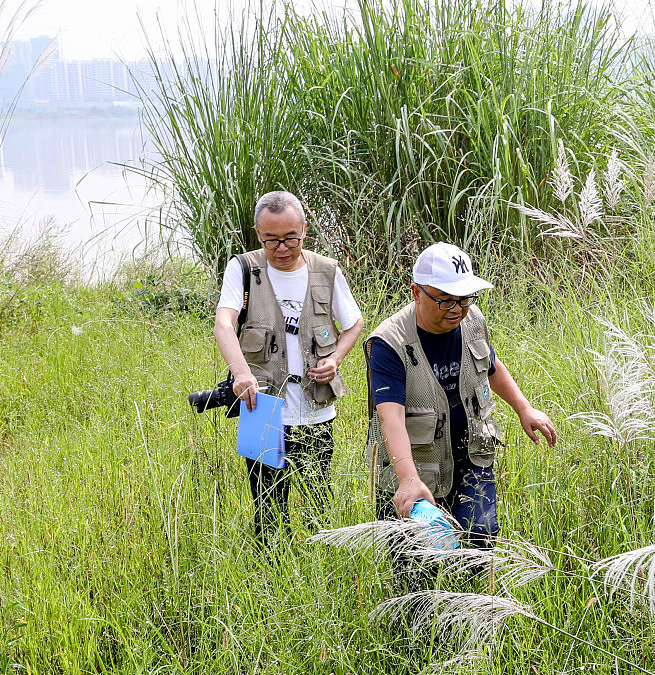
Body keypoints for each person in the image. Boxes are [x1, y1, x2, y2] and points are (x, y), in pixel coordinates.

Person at [364, 242, 556, 557]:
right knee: (415, 564)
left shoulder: (471, 318)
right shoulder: (389, 343)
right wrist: (408, 479)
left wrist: (524, 407)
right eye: (445, 301)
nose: (456, 309)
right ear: (416, 292)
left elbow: (490, 365)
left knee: (479, 542)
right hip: (416, 465)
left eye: (464, 298)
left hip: (470, 456)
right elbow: (390, 416)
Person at [214, 190, 364, 542]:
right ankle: (269, 576)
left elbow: (354, 323)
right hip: (260, 407)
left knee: (318, 503)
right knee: (267, 506)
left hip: (316, 409)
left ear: (304, 230)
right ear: (257, 234)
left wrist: (334, 359)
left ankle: (319, 572)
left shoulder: (327, 270)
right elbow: (223, 324)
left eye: (290, 239)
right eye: (271, 240)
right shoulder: (243, 268)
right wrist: (241, 373)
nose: (282, 249)